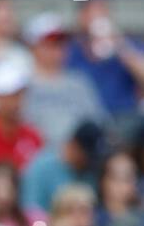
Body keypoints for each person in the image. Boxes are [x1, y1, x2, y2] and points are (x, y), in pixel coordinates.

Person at [65, 0, 144, 120]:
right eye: (91, 13)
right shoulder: (69, 50)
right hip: (83, 121)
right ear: (81, 17)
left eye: (102, 12)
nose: (97, 18)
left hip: (124, 118)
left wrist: (121, 47)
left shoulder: (127, 45)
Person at [20, 13, 107, 148]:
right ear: (33, 46)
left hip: (80, 156)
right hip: (38, 155)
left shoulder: (79, 82)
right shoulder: (20, 83)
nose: (57, 49)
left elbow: (98, 122)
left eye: (61, 43)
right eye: (50, 44)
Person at [20, 120, 108, 219]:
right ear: (73, 146)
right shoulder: (41, 168)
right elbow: (31, 211)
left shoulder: (91, 171)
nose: (88, 161)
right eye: (86, 155)